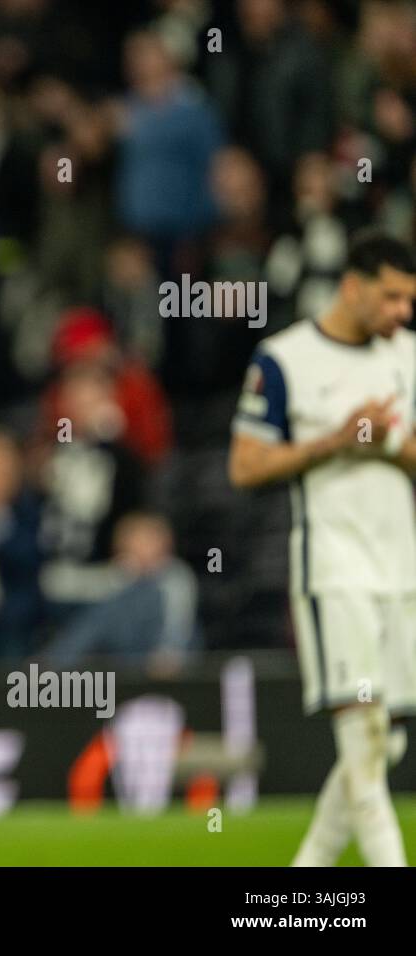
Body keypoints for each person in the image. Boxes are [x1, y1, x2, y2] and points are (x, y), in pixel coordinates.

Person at [229, 230, 416, 866]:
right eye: (391, 298)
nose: (402, 313)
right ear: (353, 287)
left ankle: (303, 883)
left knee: (380, 745)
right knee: (363, 736)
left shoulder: (409, 357)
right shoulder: (285, 359)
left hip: (403, 572)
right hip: (334, 568)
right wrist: (334, 441)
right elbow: (246, 465)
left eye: (409, 301)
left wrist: (387, 441)